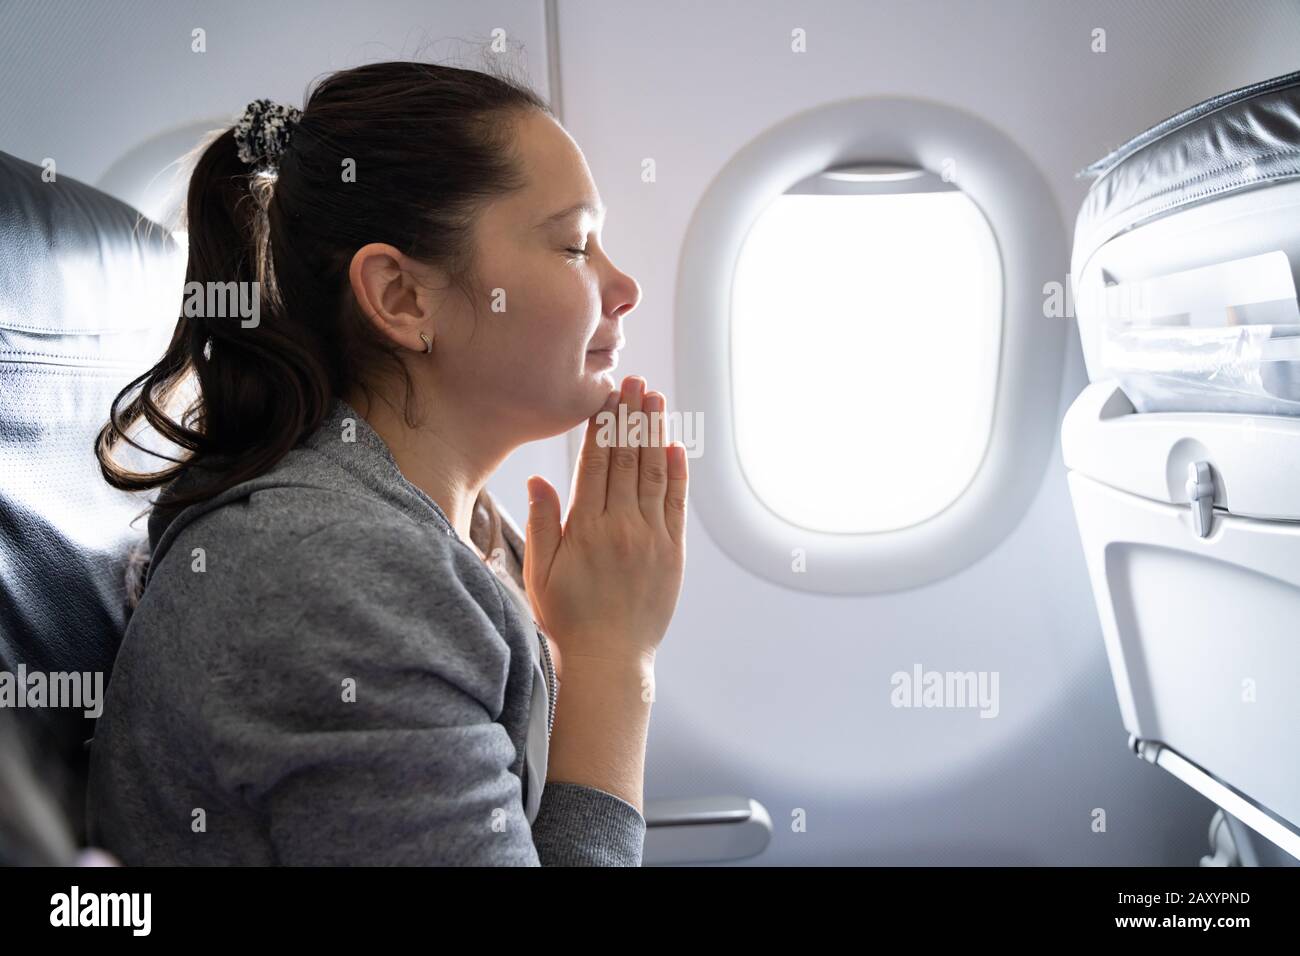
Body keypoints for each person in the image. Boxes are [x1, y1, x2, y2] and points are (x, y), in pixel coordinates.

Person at [88, 59, 687, 865]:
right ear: (403, 298)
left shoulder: (453, 528)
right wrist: (614, 661)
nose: (626, 286)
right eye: (576, 244)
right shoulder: (334, 573)